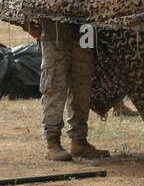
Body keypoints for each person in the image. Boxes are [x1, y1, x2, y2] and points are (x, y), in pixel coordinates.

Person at [24, 16, 107, 161]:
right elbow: (18, 2)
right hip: (54, 32)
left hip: (83, 29)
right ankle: (52, 143)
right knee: (54, 87)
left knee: (82, 87)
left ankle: (79, 141)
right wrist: (28, 26)